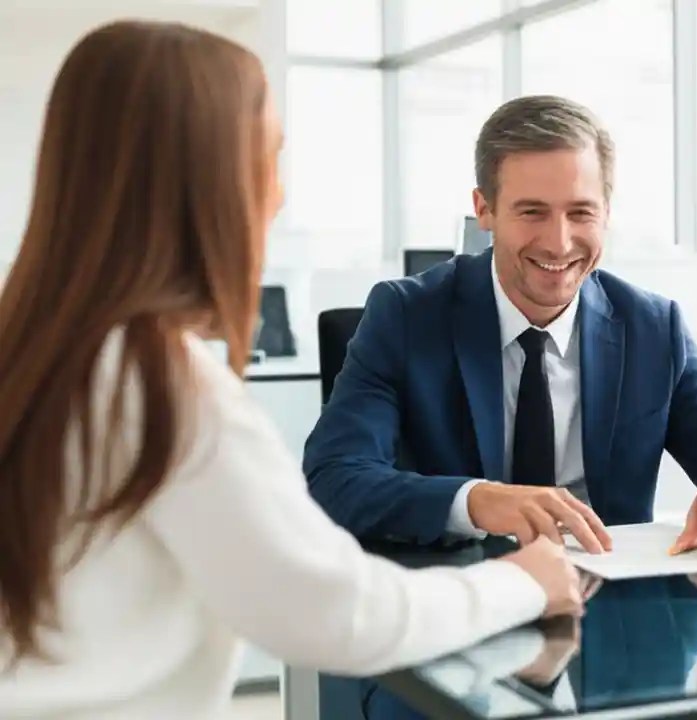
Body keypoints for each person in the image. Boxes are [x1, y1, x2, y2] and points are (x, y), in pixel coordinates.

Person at [0, 22, 582, 720]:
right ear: (205, 176)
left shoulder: (42, 348)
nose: (276, 195)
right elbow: (340, 615)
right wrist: (524, 581)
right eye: (268, 158)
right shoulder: (162, 385)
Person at [304, 95, 697, 557]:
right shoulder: (407, 315)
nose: (559, 244)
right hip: (456, 602)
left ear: (606, 211)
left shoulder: (652, 327)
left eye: (580, 212)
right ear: (485, 210)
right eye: (532, 213)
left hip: (612, 609)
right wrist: (477, 501)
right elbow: (334, 477)